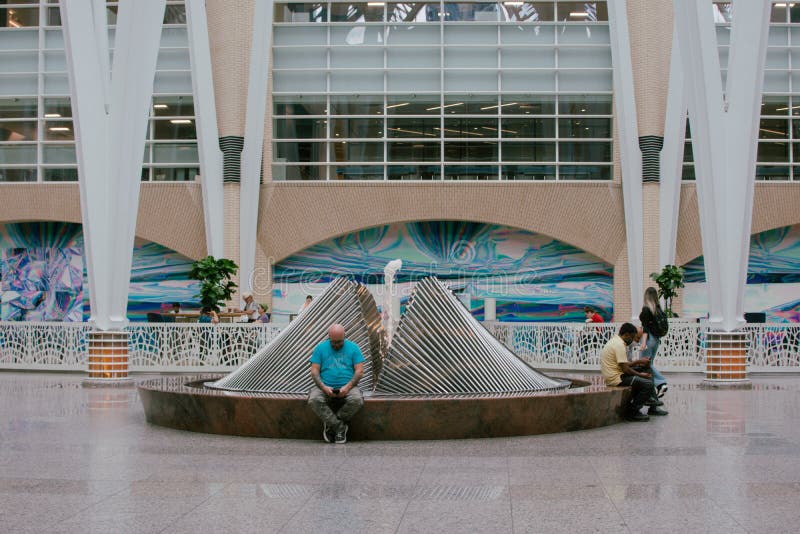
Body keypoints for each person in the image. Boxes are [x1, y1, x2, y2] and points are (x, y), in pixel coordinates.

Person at [307, 324, 365, 444]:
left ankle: (331, 424)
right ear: (329, 337)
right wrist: (323, 387)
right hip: (325, 385)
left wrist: (348, 387)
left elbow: (359, 371)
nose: (336, 345)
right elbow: (314, 371)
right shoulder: (320, 348)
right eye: (333, 342)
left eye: (340, 342)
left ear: (345, 336)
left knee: (357, 400)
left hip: (348, 385)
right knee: (314, 399)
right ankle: (340, 427)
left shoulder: (354, 348)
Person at [600, 323, 666, 421]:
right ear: (626, 334)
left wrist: (640, 363)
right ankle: (633, 412)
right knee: (647, 384)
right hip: (616, 378)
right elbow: (625, 369)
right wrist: (641, 374)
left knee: (646, 369)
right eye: (633, 337)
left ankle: (652, 402)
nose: (633, 340)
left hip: (618, 373)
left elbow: (623, 364)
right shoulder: (619, 345)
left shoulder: (617, 341)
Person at [639, 287, 669, 398]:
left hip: (649, 339)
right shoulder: (658, 309)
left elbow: (645, 328)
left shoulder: (647, 309)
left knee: (644, 364)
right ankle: (654, 390)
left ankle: (661, 382)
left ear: (646, 296)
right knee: (648, 364)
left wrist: (643, 343)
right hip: (656, 340)